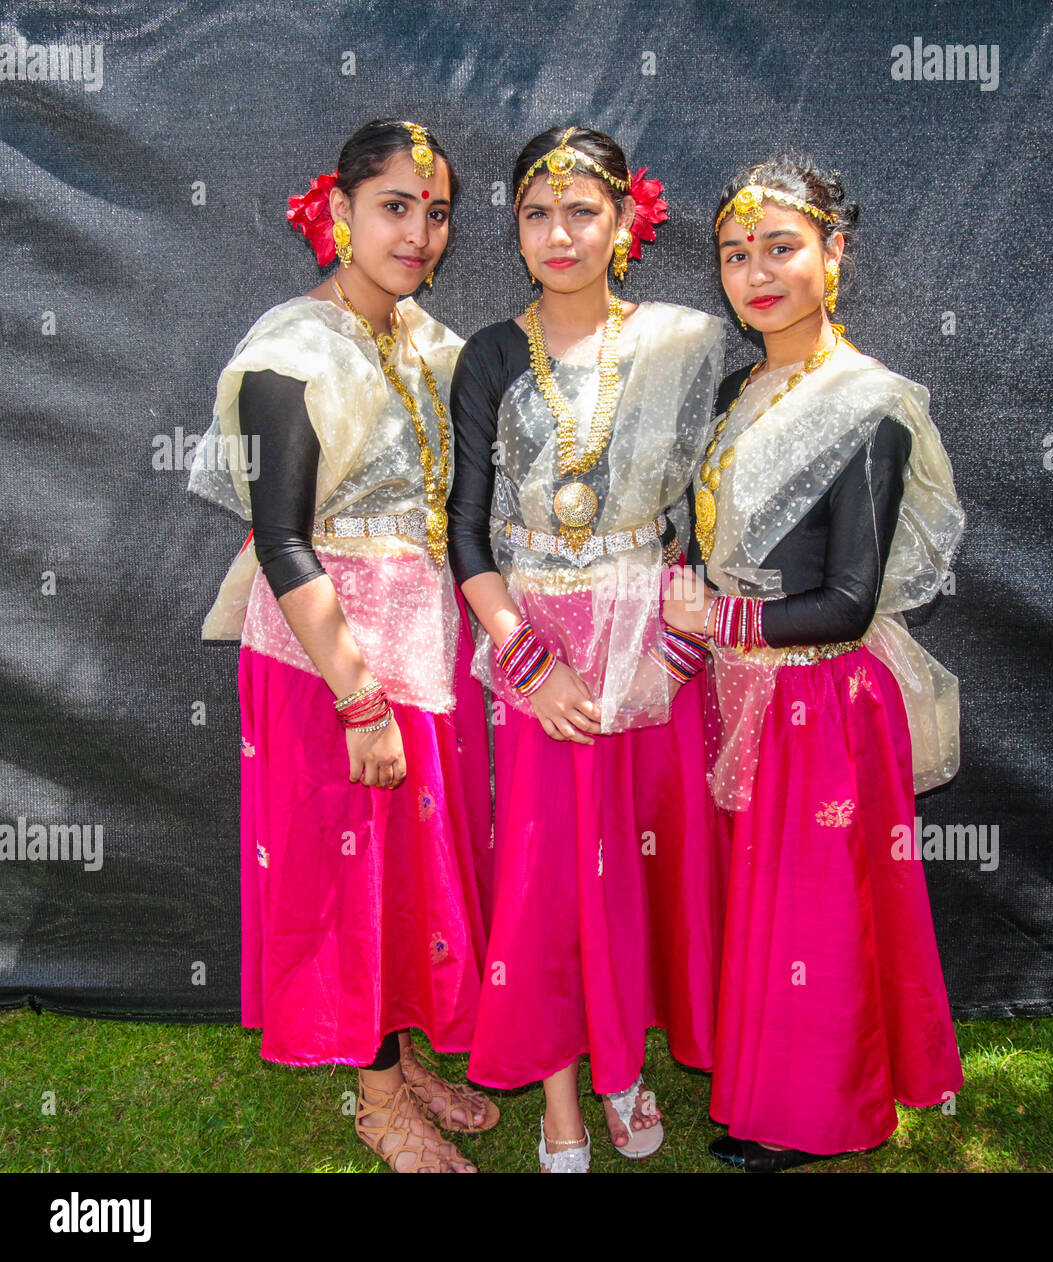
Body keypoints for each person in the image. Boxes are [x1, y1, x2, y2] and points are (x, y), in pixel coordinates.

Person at [188, 118, 497, 1173]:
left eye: (436, 212)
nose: (418, 234)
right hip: (326, 665)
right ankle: (376, 1102)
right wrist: (359, 698)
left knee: (403, 871)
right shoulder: (291, 352)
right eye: (395, 207)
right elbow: (281, 539)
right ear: (340, 212)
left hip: (420, 648)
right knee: (347, 877)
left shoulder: (420, 340)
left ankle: (400, 1058)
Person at [662, 158, 967, 1171]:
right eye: (734, 253)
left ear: (834, 253)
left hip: (823, 690)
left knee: (815, 910)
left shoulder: (868, 404)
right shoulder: (736, 392)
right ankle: (760, 1071)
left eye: (780, 248)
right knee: (757, 892)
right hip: (740, 683)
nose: (756, 273)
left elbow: (849, 600)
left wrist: (717, 617)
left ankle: (814, 1113)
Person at [447, 126, 728, 1172]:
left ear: (625, 222)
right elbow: (463, 532)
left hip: (651, 636)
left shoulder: (685, 346)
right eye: (536, 214)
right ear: (515, 229)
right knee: (548, 871)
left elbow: (712, 518)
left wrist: (682, 644)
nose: (557, 234)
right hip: (534, 643)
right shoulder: (488, 355)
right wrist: (527, 660)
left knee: (639, 863)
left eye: (580, 211)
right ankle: (561, 1088)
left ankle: (622, 1066)